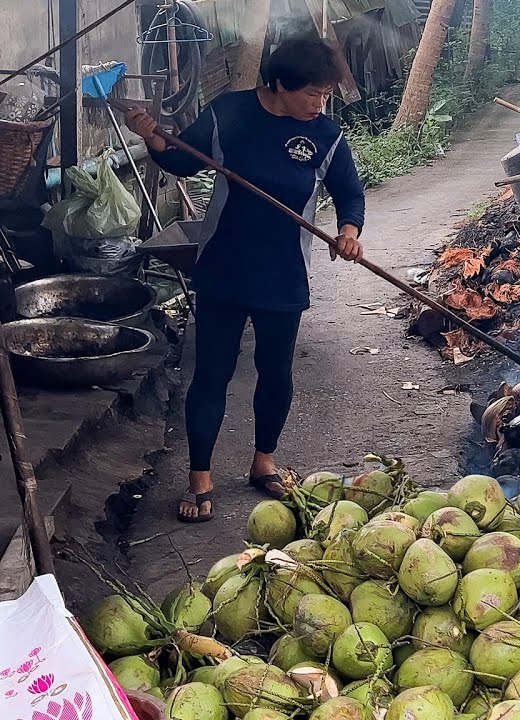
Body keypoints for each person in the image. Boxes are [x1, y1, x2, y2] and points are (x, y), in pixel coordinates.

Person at [125, 37, 367, 522]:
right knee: (212, 372)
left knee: (275, 372)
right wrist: (153, 137)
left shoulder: (325, 134)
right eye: (311, 94)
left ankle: (264, 462)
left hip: (284, 274)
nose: (319, 105)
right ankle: (199, 478)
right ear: (279, 85)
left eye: (325, 96)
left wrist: (347, 232)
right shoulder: (229, 114)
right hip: (225, 267)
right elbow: (182, 159)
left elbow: (349, 193)